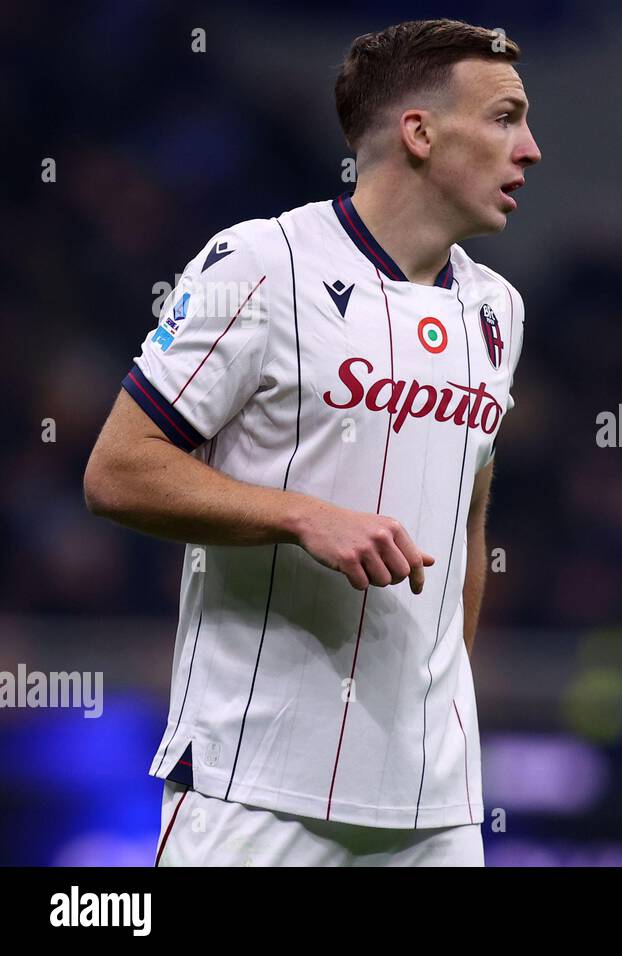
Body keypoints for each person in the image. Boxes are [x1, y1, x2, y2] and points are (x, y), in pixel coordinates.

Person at [82, 18, 541, 866]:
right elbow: (118, 470)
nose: (532, 149)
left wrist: (443, 711)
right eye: (506, 117)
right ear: (419, 132)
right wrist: (301, 516)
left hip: (434, 805)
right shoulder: (258, 264)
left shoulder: (498, 312)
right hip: (254, 787)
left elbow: (466, 527)